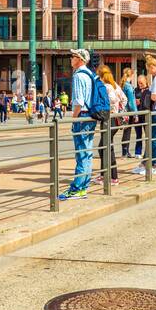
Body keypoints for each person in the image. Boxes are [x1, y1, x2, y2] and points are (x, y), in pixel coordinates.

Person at [59, 49, 98, 199]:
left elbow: (79, 103)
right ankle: (83, 187)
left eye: (73, 56)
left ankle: (76, 188)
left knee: (81, 153)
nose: (71, 59)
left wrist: (73, 119)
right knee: (87, 152)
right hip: (91, 115)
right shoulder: (90, 75)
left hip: (82, 116)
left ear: (80, 59)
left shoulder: (78, 76)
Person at [97, 63, 125, 182]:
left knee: (105, 147)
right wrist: (120, 109)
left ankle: (112, 177)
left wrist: (110, 107)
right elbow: (124, 99)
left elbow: (113, 99)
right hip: (116, 119)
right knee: (106, 146)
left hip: (110, 119)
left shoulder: (107, 87)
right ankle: (106, 175)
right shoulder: (116, 85)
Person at [120, 67, 139, 158]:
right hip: (128, 112)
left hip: (123, 111)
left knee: (125, 131)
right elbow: (131, 102)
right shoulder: (129, 87)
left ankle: (124, 151)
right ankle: (125, 151)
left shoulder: (122, 85)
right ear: (131, 75)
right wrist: (135, 114)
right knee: (127, 132)